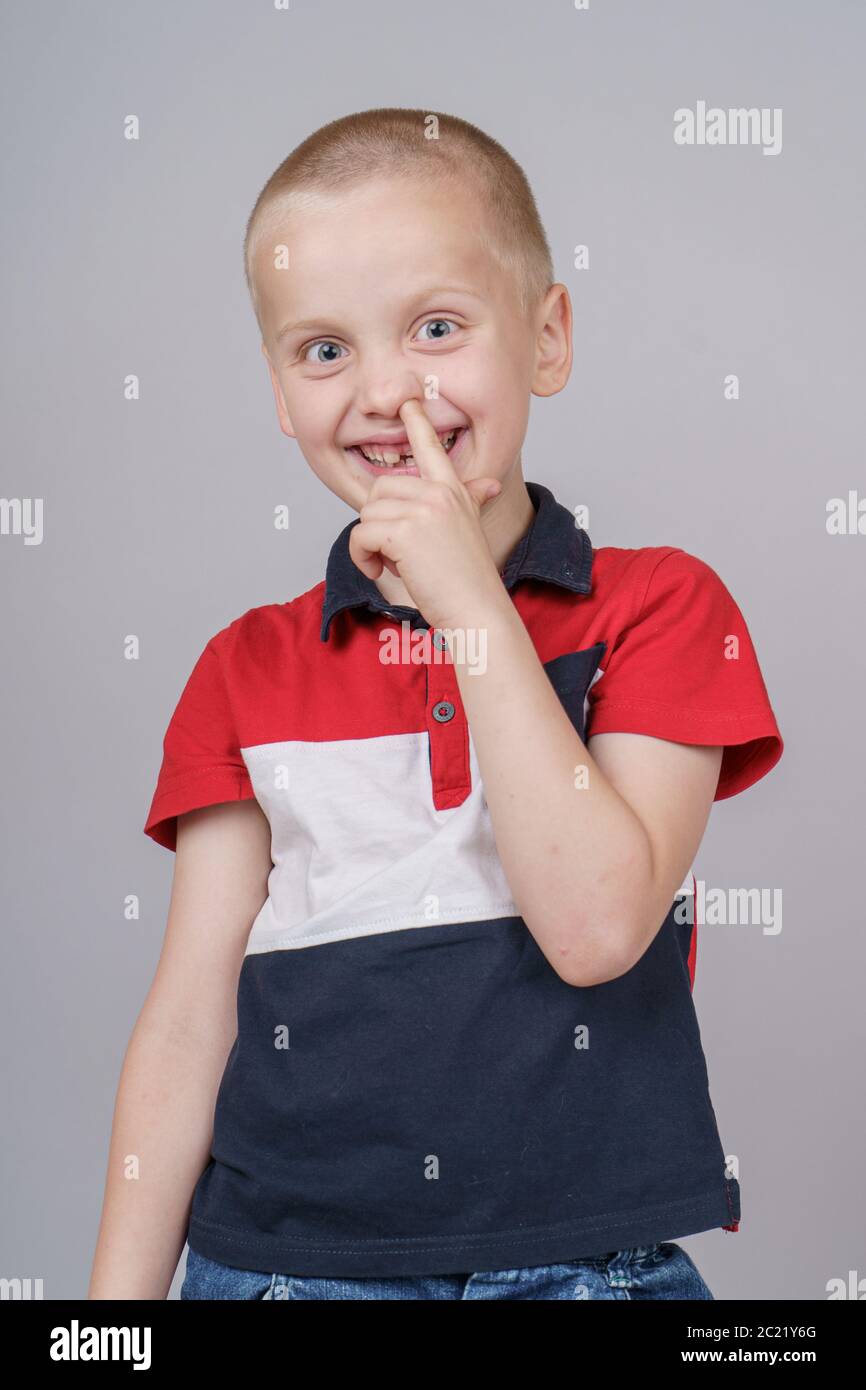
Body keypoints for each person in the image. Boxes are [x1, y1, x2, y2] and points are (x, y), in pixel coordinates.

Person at [88, 107, 783, 1301]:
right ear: (278, 389)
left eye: (437, 328)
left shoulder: (662, 606)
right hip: (285, 1274)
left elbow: (595, 927)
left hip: (587, 1271)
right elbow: (188, 1020)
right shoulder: (240, 669)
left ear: (546, 338)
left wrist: (469, 602)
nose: (383, 390)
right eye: (323, 351)